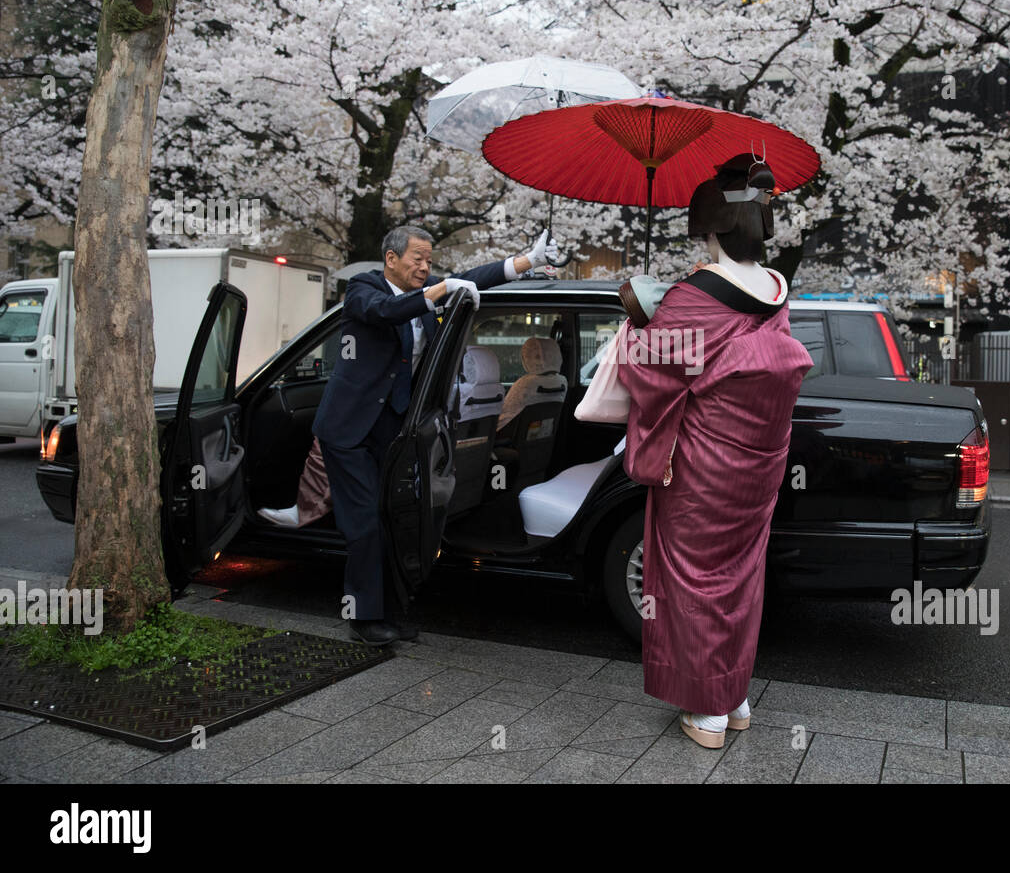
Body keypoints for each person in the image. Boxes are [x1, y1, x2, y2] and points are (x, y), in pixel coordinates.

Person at [617, 154, 814, 749]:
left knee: (693, 577)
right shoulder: (778, 290)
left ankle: (708, 713)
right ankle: (736, 694)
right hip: (761, 460)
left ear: (712, 229)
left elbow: (649, 368)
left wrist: (637, 317)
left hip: (702, 464)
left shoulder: (695, 292)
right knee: (738, 574)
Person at [313, 225, 559, 645]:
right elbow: (383, 312)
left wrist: (528, 261)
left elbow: (476, 277)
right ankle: (363, 617)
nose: (425, 267)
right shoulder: (362, 288)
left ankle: (389, 610)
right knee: (365, 522)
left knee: (393, 517)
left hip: (395, 427)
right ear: (391, 259)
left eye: (430, 261)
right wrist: (440, 287)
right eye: (418, 259)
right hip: (348, 430)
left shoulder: (426, 290)